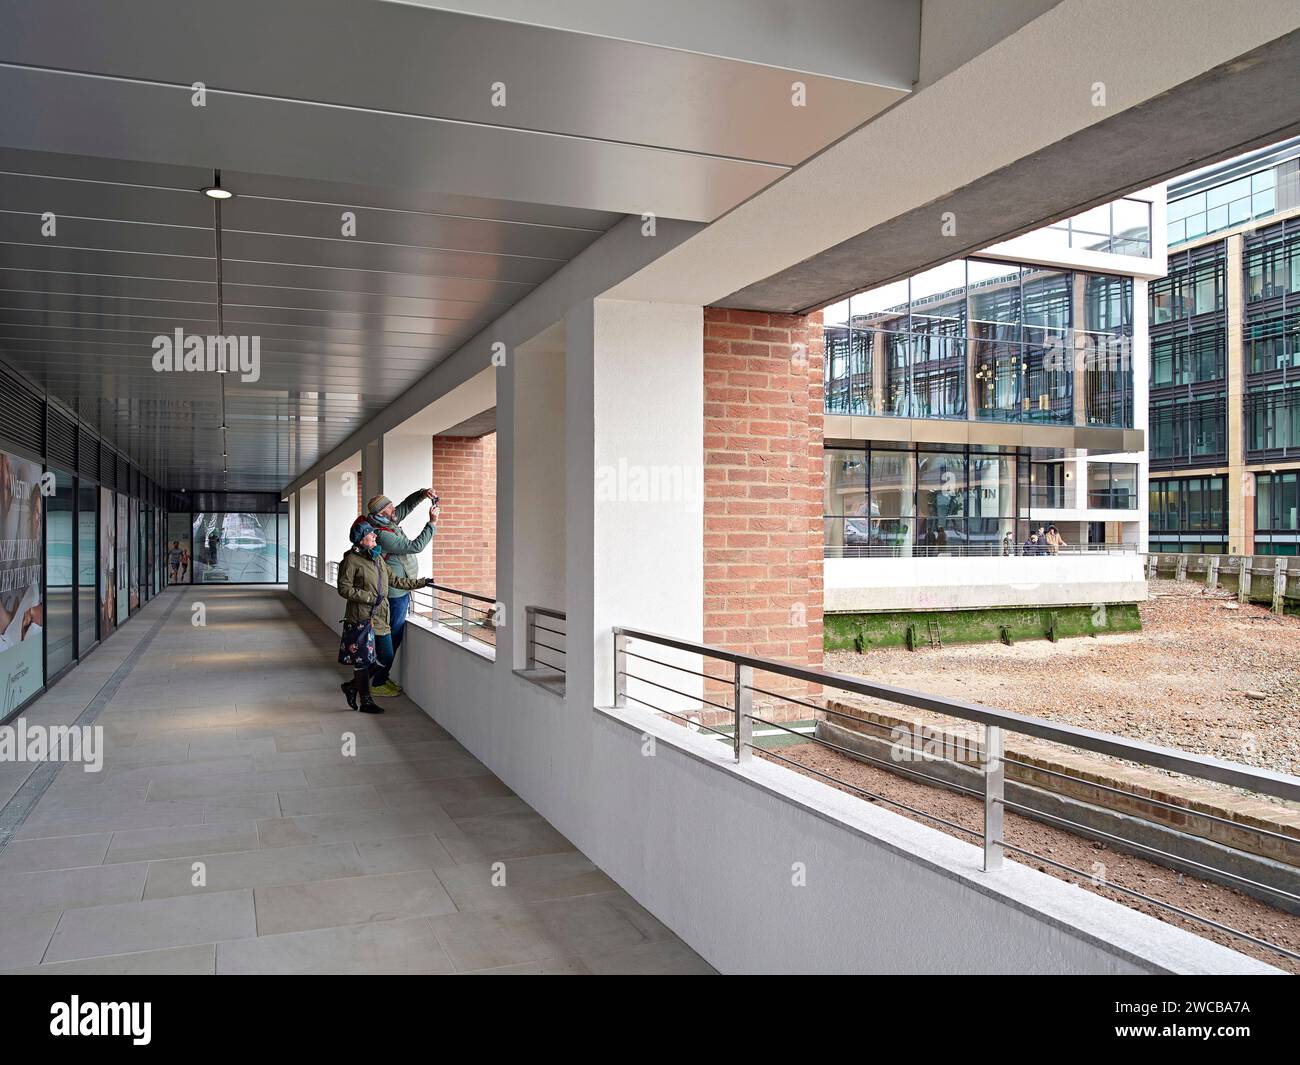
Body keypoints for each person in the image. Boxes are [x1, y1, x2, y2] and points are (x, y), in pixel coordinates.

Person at [337, 522, 432, 713]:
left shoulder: (378, 558)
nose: (374, 536)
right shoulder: (351, 560)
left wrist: (421, 582)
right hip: (361, 618)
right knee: (363, 660)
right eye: (370, 535)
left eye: (373, 534)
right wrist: (370, 598)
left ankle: (352, 686)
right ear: (361, 540)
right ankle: (366, 702)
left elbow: (395, 580)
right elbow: (344, 588)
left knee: (386, 655)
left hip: (380, 617)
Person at [357, 488, 439, 696]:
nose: (395, 509)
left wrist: (423, 493)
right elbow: (415, 546)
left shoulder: (386, 519)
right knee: (392, 637)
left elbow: (407, 504)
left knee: (392, 635)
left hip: (400, 588)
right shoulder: (383, 534)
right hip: (395, 592)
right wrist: (432, 522)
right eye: (390, 507)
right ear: (381, 513)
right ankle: (377, 682)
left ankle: (378, 678)